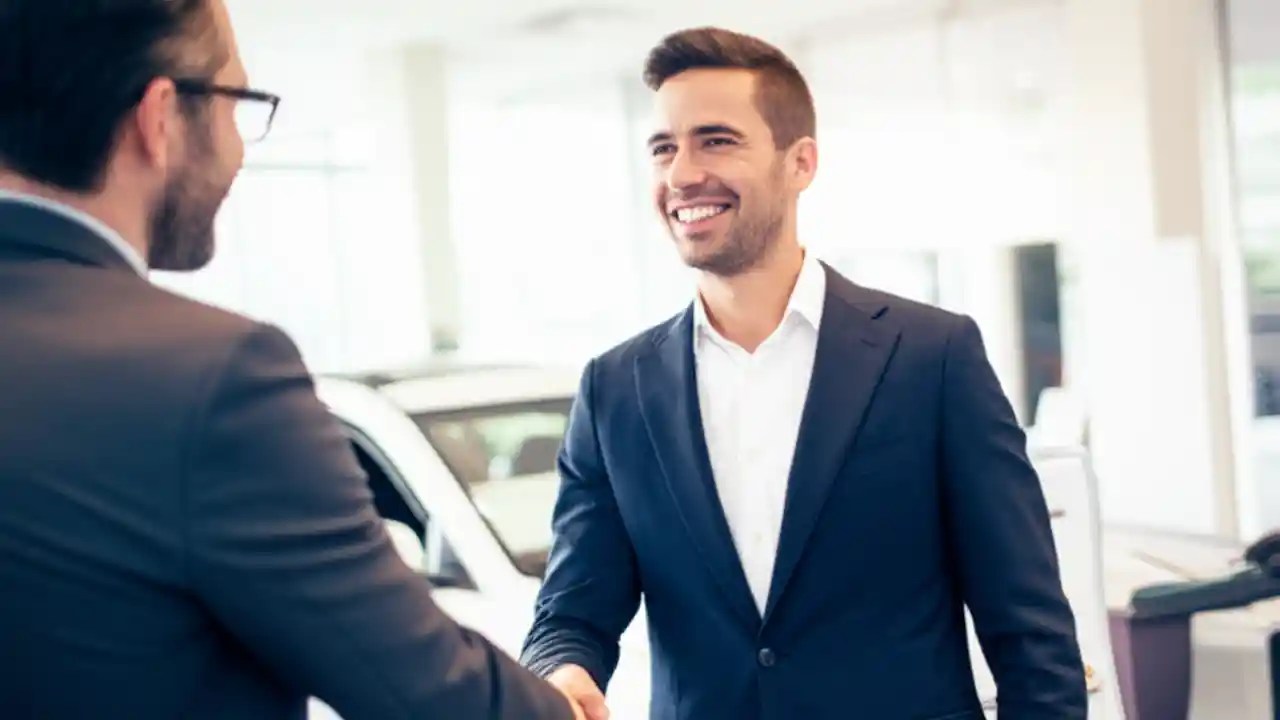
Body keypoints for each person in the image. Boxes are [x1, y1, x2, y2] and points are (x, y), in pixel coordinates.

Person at [0, 2, 579, 719]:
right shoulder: (216, 377)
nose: (240, 151)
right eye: (236, 105)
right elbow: (433, 696)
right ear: (160, 118)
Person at [520, 26, 1087, 720]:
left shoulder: (932, 357)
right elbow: (572, 608)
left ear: (800, 163)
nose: (682, 174)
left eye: (715, 140)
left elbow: (1030, 630)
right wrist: (562, 667)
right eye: (664, 148)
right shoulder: (615, 391)